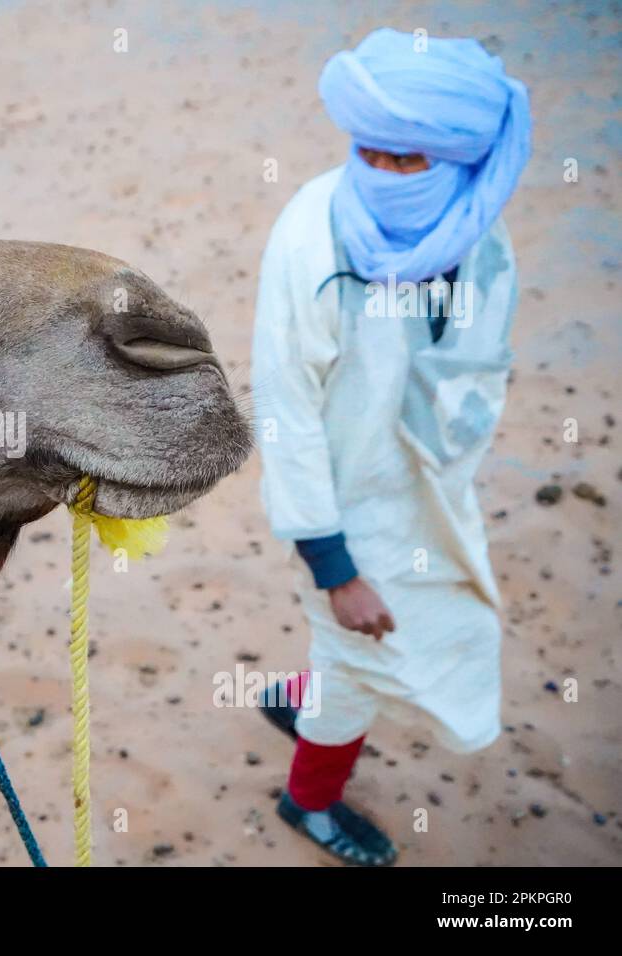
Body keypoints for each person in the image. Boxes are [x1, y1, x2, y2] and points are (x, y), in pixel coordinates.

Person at [251, 28, 532, 865]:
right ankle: (310, 803)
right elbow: (286, 410)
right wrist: (332, 563)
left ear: (459, 164)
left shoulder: (482, 236)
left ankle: (293, 696)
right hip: (340, 502)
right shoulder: (311, 238)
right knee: (358, 653)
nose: (386, 176)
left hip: (433, 487)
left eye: (410, 161)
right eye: (370, 153)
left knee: (442, 625)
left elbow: (480, 363)